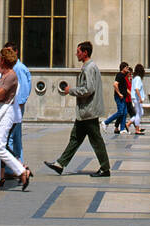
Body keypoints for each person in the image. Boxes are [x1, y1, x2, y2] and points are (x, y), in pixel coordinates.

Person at [43, 41, 111, 178]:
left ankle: (105, 168)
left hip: (88, 111)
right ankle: (60, 164)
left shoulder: (89, 68)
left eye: (78, 51)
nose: (76, 54)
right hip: (85, 111)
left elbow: (89, 89)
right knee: (75, 138)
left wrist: (71, 91)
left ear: (85, 53)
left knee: (95, 140)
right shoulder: (89, 67)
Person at [0, 48, 31, 192]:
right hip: (0, 112)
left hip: (6, 113)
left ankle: (21, 171)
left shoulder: (11, 76)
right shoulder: (4, 75)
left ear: (4, 60)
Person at [7, 41, 33, 159]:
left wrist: (20, 103)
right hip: (14, 105)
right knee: (15, 136)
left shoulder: (19, 68)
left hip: (17, 106)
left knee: (12, 136)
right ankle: (18, 163)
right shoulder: (13, 67)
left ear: (16, 52)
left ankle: (12, 165)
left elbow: (23, 87)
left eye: (10, 52)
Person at [104, 61, 132, 135]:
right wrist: (119, 94)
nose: (128, 69)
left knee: (125, 113)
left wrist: (131, 94)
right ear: (123, 68)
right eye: (127, 67)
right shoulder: (119, 75)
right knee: (120, 112)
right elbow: (115, 84)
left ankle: (122, 129)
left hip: (123, 97)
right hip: (119, 97)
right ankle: (105, 122)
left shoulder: (123, 76)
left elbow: (125, 88)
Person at [130, 63, 147, 135]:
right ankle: (137, 129)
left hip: (135, 98)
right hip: (137, 99)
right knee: (138, 113)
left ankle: (128, 124)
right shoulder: (138, 78)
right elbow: (136, 89)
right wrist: (140, 98)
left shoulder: (135, 78)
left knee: (140, 112)